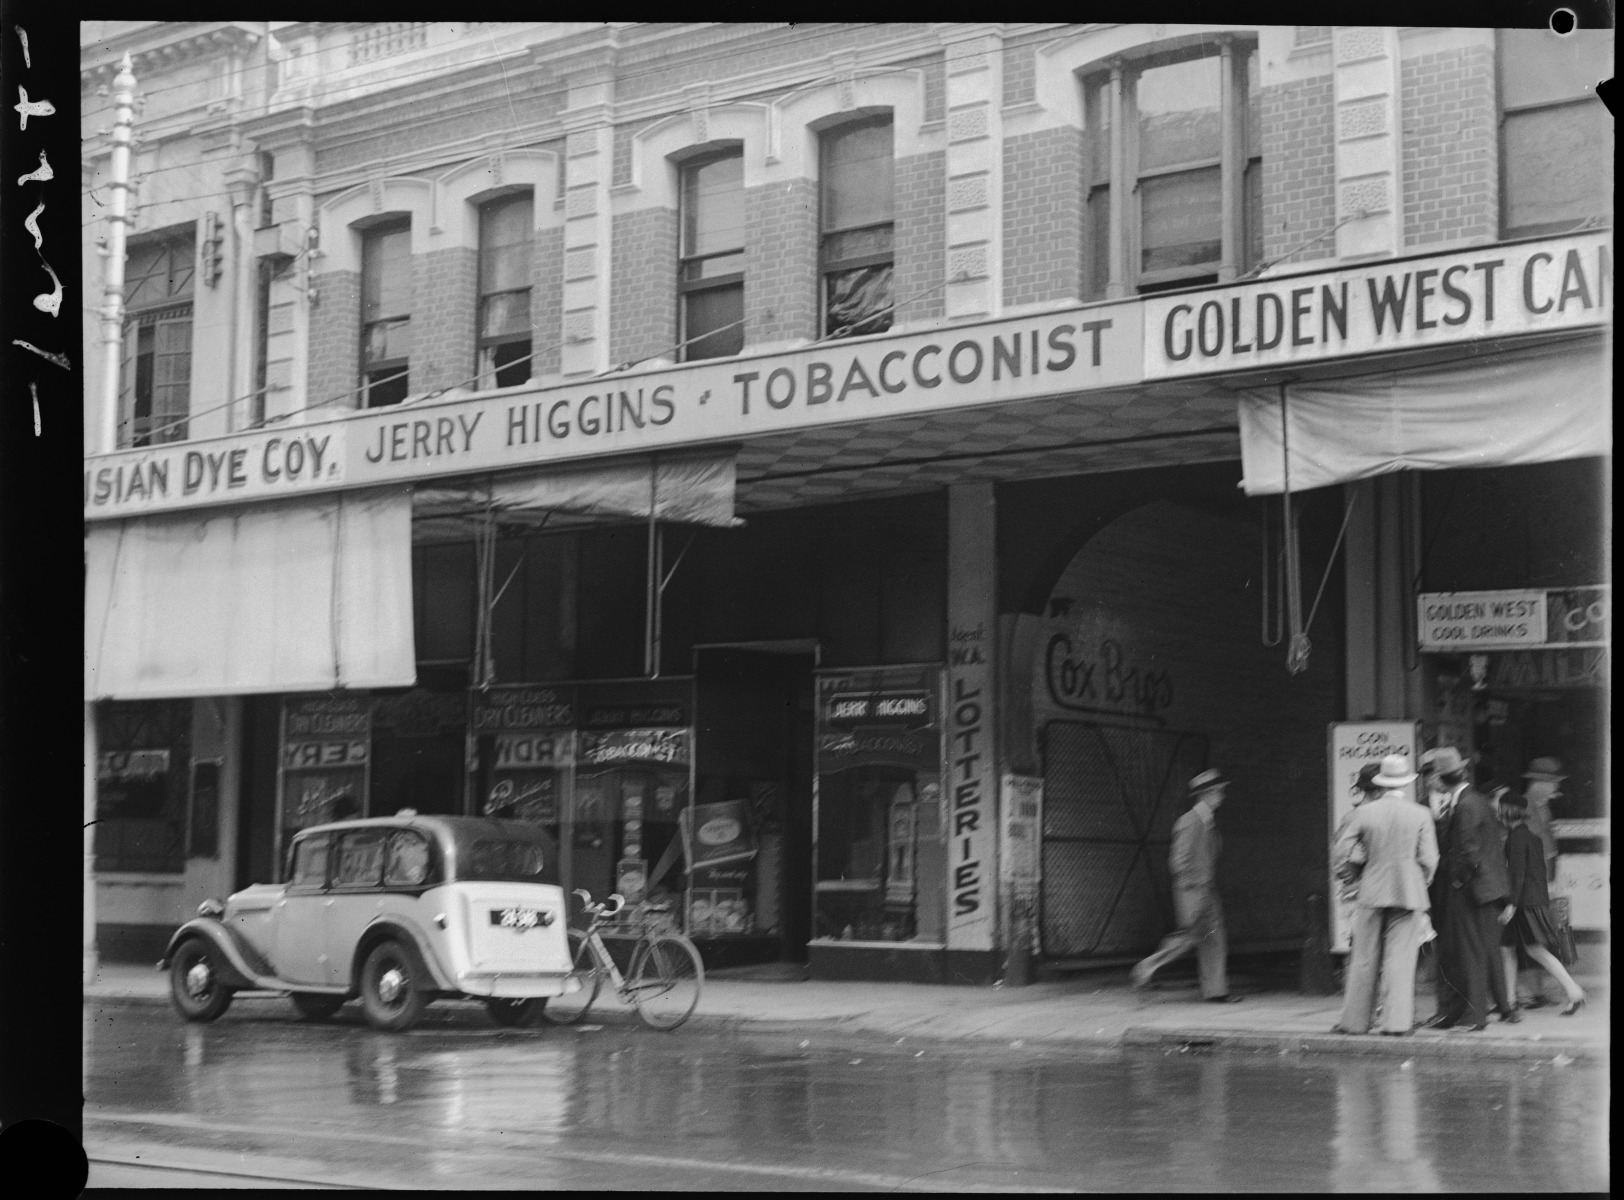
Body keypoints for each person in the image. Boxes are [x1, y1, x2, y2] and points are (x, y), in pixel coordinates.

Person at [1330, 754, 1439, 1036]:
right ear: (1406, 782)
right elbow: (1430, 859)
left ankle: (1354, 1023)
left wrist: (1352, 877)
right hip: (1409, 891)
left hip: (1372, 890)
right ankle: (1397, 1023)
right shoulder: (1420, 814)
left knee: (1364, 958)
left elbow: (1341, 854)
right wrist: (1420, 880)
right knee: (1400, 959)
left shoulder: (1362, 813)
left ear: (1380, 782)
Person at [1421, 747, 1516, 1031]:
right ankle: (1490, 1010)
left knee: (1470, 952)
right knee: (1481, 949)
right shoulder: (1474, 800)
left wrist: (1455, 883)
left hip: (1469, 891)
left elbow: (1468, 853)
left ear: (1441, 777)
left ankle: (1475, 1017)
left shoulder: (1464, 806)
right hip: (1484, 889)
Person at [1131, 768, 1241, 1003]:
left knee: (1214, 939)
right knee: (1186, 940)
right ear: (1208, 794)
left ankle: (1216, 992)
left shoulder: (1207, 822)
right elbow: (1178, 862)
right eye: (1220, 792)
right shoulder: (1190, 822)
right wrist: (1195, 889)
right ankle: (1145, 968)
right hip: (1194, 893)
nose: (1222, 796)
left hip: (1207, 892)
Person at [1498, 789, 1586, 1016]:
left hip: (1523, 905)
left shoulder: (1515, 839)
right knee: (1507, 948)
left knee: (1535, 951)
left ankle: (1574, 992)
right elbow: (1537, 872)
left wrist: (1511, 905)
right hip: (1533, 902)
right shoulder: (1532, 837)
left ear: (1506, 811)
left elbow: (1517, 874)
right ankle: (1508, 1002)